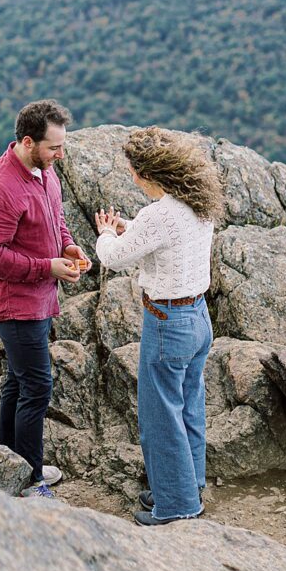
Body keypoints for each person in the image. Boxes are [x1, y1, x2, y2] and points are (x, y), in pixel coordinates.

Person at [94, 127, 222, 526]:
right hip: (198, 317)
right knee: (188, 407)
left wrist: (105, 234)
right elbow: (166, 236)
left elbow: (113, 259)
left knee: (160, 417)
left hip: (168, 323)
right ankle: (187, 484)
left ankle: (177, 505)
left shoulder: (158, 215)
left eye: (134, 171)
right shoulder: (197, 202)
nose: (132, 177)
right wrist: (129, 226)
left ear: (150, 173)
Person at [0, 99, 92, 499]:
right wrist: (47, 267)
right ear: (27, 141)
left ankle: (9, 465)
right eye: (54, 147)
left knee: (17, 382)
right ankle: (31, 480)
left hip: (37, 294)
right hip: (13, 301)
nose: (61, 155)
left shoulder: (43, 172)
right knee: (37, 387)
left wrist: (69, 248)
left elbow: (54, 217)